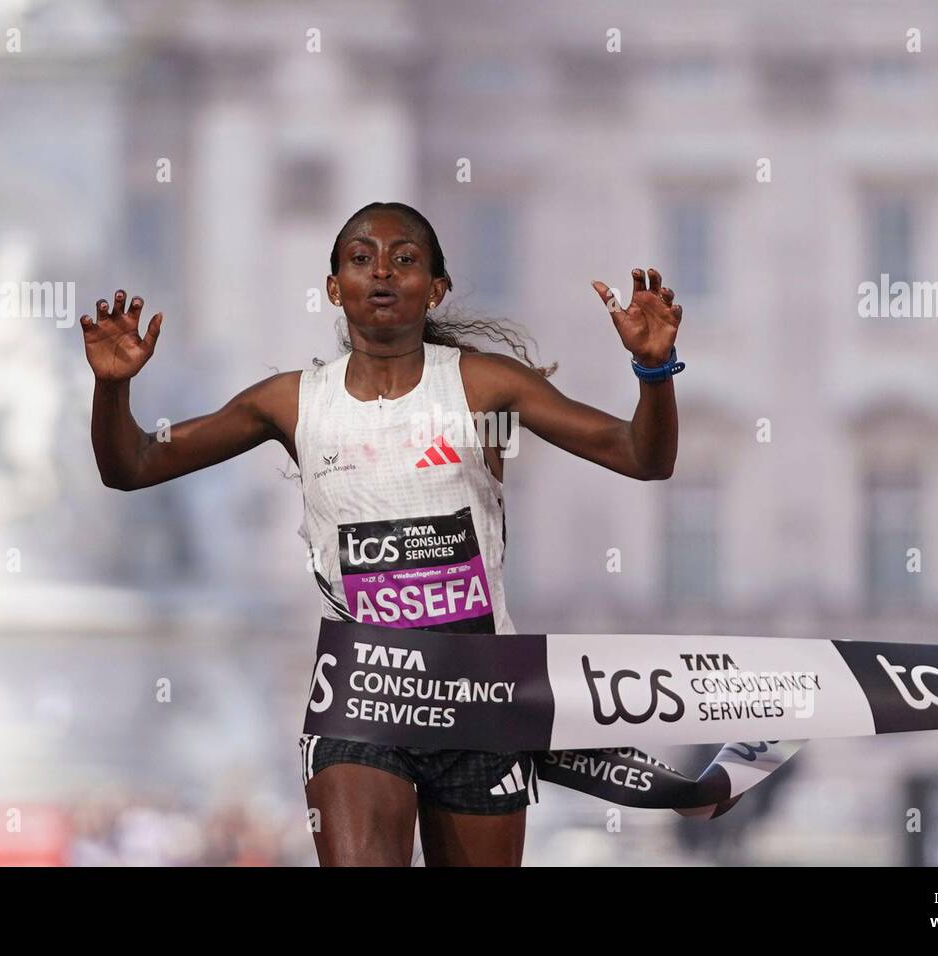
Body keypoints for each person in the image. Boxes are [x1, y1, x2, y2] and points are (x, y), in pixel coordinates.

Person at [82, 201, 683, 866]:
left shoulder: (484, 386)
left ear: (436, 287)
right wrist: (112, 389)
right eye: (362, 259)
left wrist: (654, 372)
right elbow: (131, 466)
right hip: (363, 690)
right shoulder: (289, 400)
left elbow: (642, 457)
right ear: (335, 287)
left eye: (406, 260)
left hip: (479, 691)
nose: (383, 273)